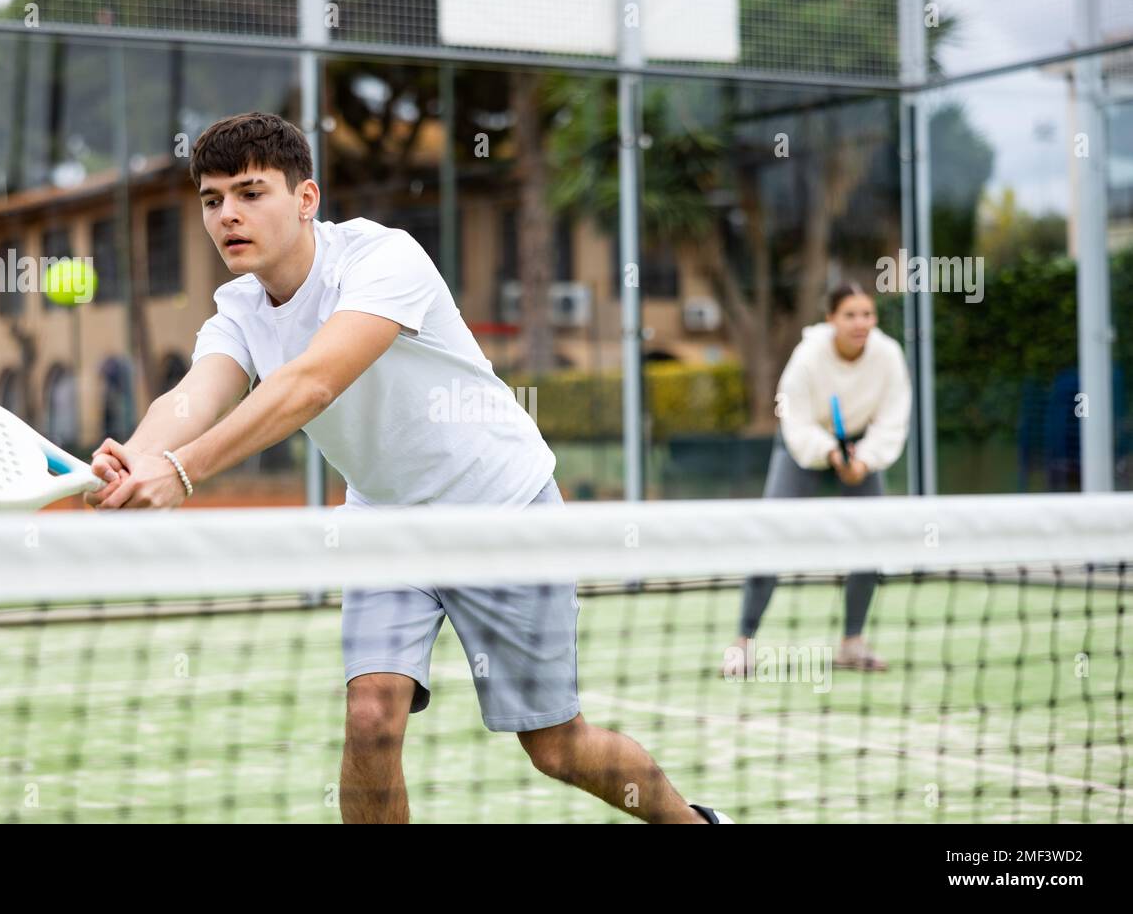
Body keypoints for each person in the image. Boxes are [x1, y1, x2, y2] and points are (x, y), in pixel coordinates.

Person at [85, 112, 730, 824]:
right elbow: (191, 396)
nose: (228, 215)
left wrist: (178, 472)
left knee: (554, 746)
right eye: (212, 200)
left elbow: (310, 384)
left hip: (504, 511)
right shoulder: (237, 310)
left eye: (250, 192)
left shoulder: (383, 259)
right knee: (371, 718)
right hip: (386, 525)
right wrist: (136, 459)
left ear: (306, 199)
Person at [724, 283, 911, 677]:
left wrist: (865, 459)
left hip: (863, 446)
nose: (860, 323)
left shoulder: (889, 355)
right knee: (772, 536)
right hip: (802, 443)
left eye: (867, 314)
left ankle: (852, 643)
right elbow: (795, 418)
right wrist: (828, 451)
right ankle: (743, 643)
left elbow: (894, 418)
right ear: (831, 320)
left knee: (869, 539)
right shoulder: (807, 357)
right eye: (850, 315)